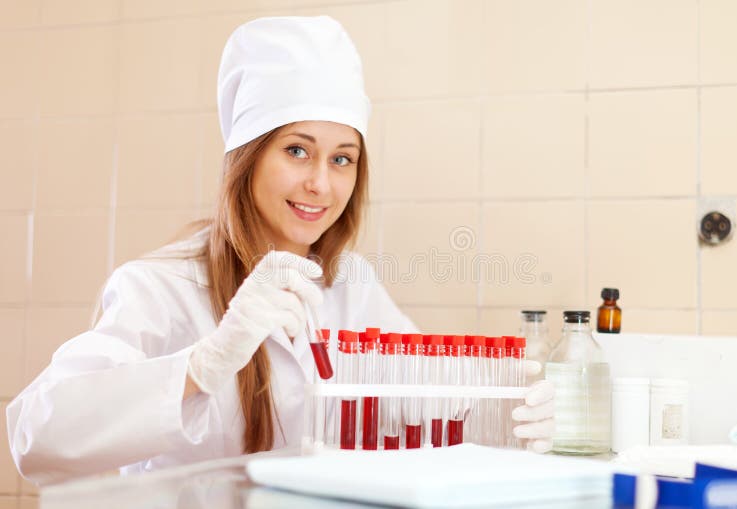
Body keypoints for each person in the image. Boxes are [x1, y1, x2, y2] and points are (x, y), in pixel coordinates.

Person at [6, 16, 555, 486]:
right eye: (297, 150)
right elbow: (36, 441)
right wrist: (204, 364)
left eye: (342, 159)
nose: (321, 183)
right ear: (247, 159)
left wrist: (505, 412)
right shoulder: (159, 287)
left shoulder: (351, 284)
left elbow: (413, 404)